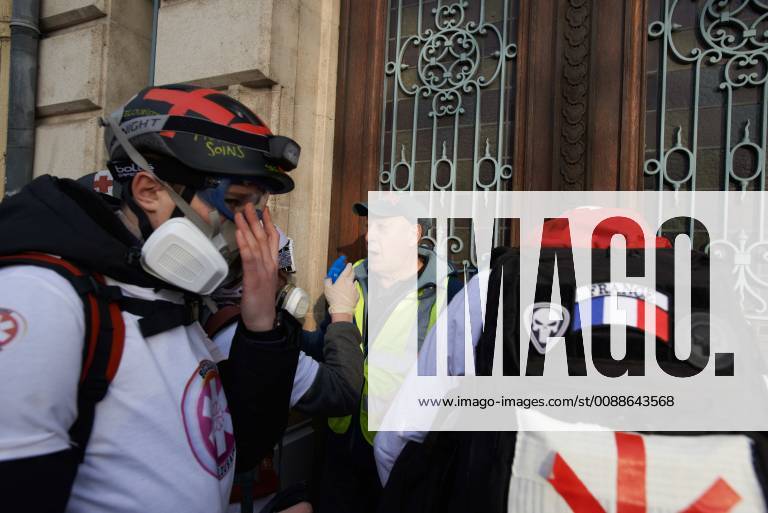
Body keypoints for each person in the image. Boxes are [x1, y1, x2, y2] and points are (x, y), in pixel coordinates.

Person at [0, 84, 304, 513]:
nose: (248, 229)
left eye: (257, 209)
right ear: (148, 191)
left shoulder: (167, 293)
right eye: (235, 204)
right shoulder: (43, 295)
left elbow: (235, 447)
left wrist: (261, 326)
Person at [318, 200, 463, 513]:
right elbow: (321, 347)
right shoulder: (348, 277)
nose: (370, 237)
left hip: (402, 451)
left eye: (382, 227)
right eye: (369, 227)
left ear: (414, 234)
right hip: (341, 441)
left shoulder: (450, 291)